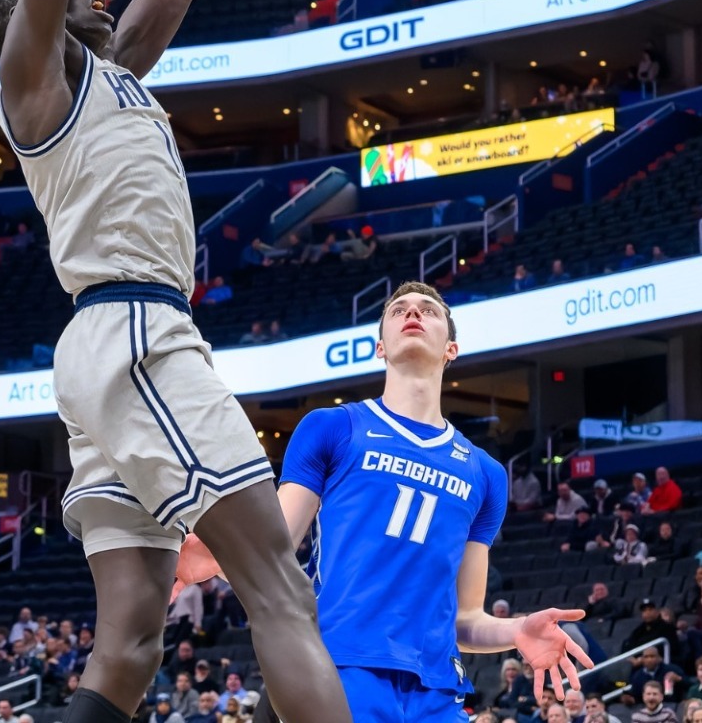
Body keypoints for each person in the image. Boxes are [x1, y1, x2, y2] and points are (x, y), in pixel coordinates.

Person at [0, 0, 350, 723]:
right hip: (135, 334)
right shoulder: (33, 82)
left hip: (105, 352)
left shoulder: (116, 72)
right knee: (280, 588)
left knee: (132, 641)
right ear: (29, 18)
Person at [230, 282, 590, 723]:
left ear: (451, 349)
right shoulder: (333, 427)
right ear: (380, 347)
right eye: (398, 310)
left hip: (436, 685)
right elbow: (271, 549)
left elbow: (465, 619)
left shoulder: (485, 473)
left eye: (428, 310)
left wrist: (516, 629)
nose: (413, 313)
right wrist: (216, 544)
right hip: (339, 664)